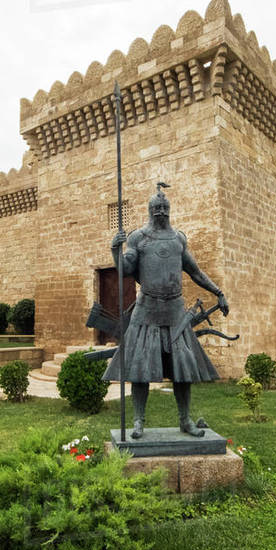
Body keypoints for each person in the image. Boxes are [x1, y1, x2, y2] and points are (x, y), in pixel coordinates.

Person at [104, 183, 228, 438]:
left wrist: (218, 292)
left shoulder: (178, 239)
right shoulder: (139, 237)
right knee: (140, 369)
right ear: (149, 210)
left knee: (183, 370)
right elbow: (126, 269)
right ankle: (138, 421)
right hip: (147, 309)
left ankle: (185, 420)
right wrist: (115, 251)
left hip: (174, 311)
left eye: (164, 207)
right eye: (156, 207)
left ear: (169, 210)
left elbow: (195, 272)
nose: (161, 211)